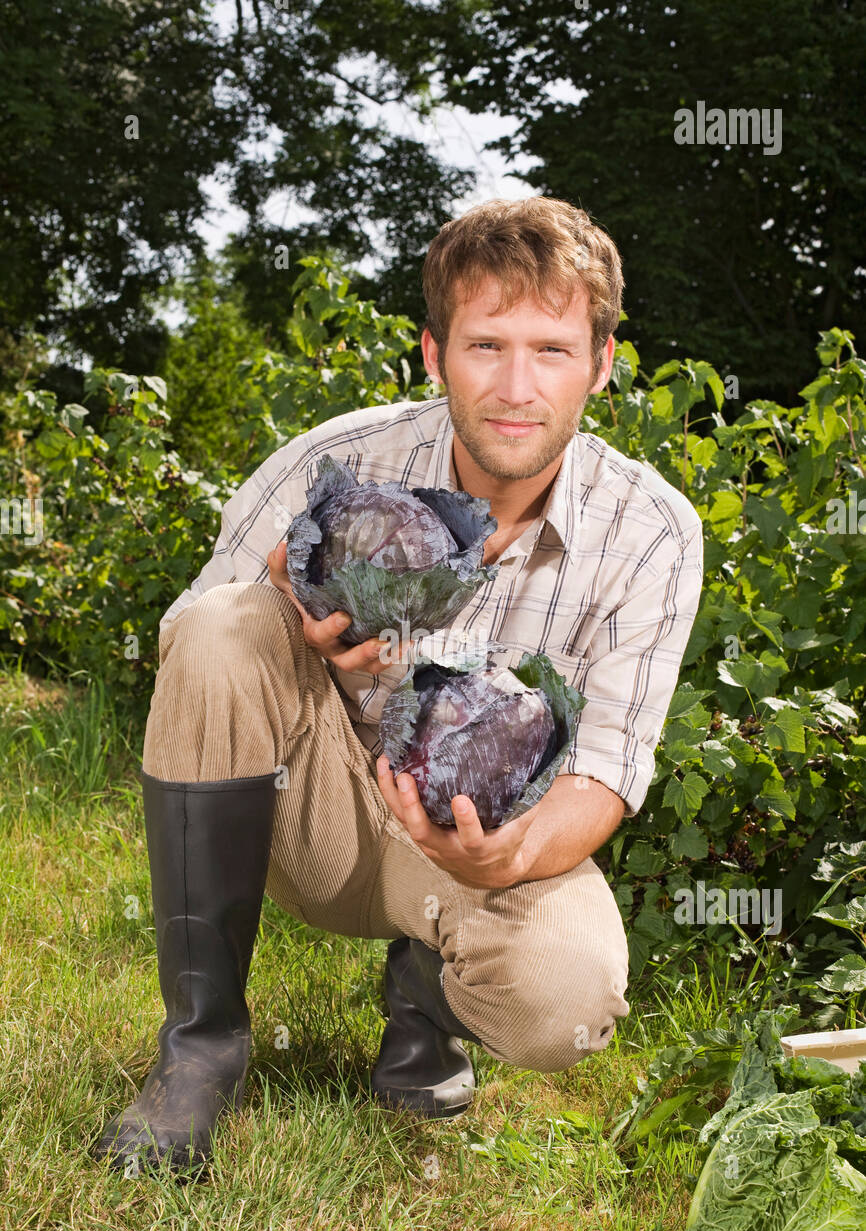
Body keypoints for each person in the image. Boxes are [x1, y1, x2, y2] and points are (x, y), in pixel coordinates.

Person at [95, 196, 704, 1175]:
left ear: (598, 365)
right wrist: (294, 631)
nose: (514, 386)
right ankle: (199, 1047)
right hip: (312, 807)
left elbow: (604, 767)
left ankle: (423, 997)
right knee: (223, 624)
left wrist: (502, 860)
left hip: (476, 835)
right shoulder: (335, 464)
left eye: (549, 350)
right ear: (431, 354)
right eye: (483, 345)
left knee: (566, 997)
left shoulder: (652, 533)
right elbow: (193, 647)